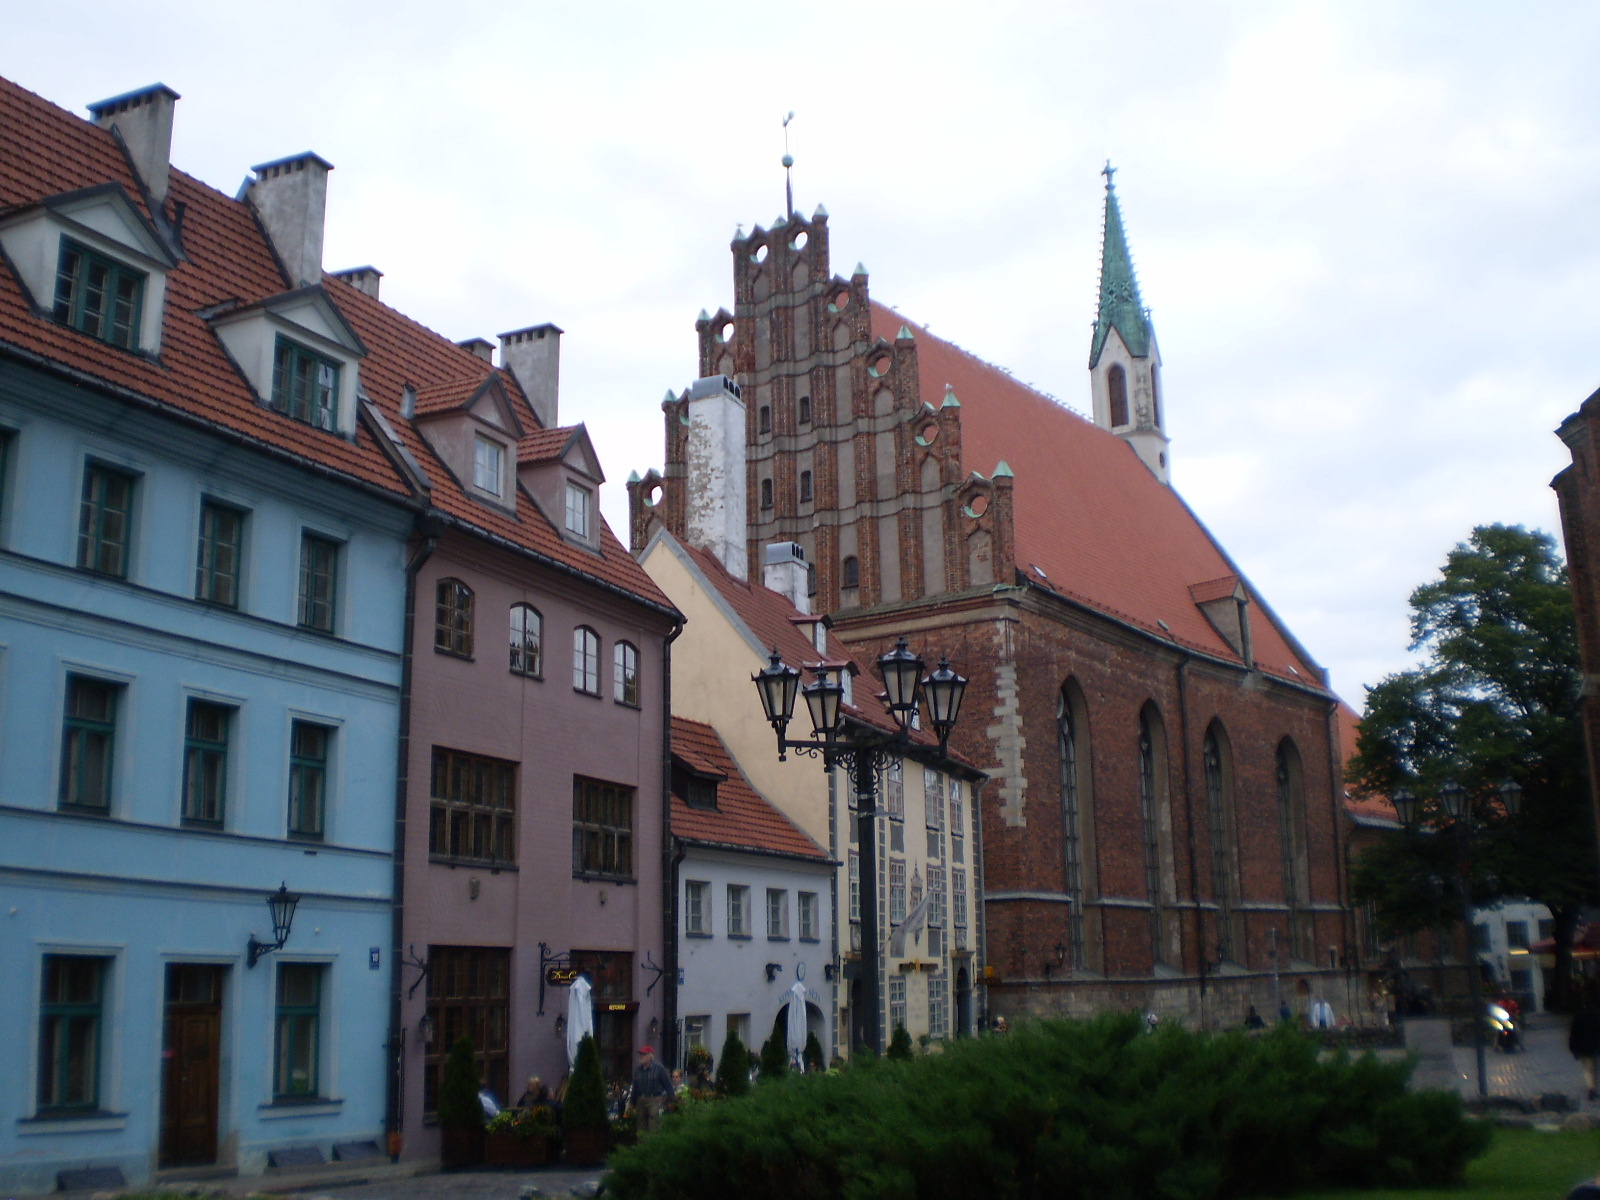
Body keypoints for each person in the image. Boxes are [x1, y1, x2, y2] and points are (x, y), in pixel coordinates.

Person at [630, 1044, 675, 1134]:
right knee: (640, 1125)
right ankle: (642, 1142)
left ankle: (652, 1142)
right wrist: (632, 1103)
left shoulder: (659, 1068)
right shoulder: (638, 1070)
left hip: (654, 1099)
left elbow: (667, 1084)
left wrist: (672, 1100)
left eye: (644, 1054)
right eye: (641, 1054)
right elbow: (635, 1087)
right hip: (641, 1099)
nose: (641, 1056)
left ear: (650, 1056)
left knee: (654, 1124)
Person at [1569, 998, 1600, 1101]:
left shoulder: (1578, 1018)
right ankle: (1595, 1087)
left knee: (1588, 1069)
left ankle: (1591, 1088)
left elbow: (1573, 1034)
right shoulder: (1597, 1016)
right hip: (1596, 1046)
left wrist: (1573, 1049)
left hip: (1584, 1048)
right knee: (1595, 1068)